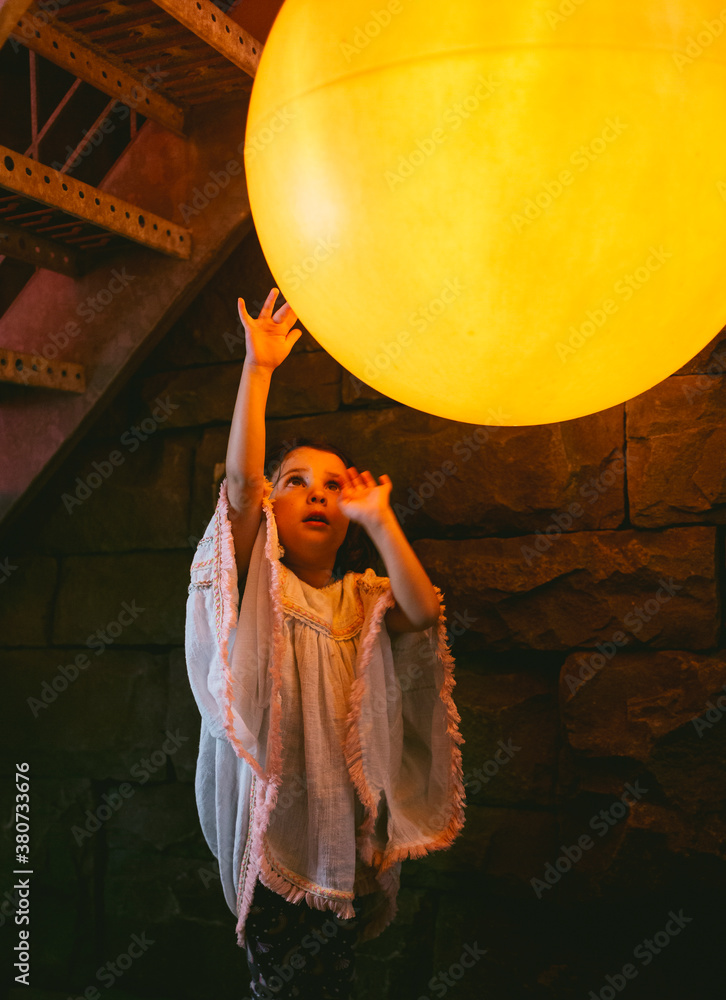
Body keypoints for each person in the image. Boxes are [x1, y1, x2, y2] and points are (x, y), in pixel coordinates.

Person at [185, 288, 465, 999]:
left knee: (336, 982)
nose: (315, 493)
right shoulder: (259, 590)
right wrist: (258, 369)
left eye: (333, 485)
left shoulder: (360, 601)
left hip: (349, 842)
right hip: (279, 839)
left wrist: (381, 520)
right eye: (296, 481)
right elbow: (240, 487)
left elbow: (422, 611)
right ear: (272, 505)